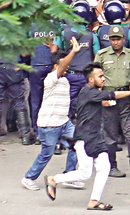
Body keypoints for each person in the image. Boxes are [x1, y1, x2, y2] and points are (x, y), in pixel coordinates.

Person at [44, 63, 130, 210]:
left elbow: (85, 106)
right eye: (100, 76)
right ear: (91, 80)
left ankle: (94, 201)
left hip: (96, 138)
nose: (104, 78)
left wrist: (102, 104)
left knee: (104, 168)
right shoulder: (89, 92)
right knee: (84, 174)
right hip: (86, 139)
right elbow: (112, 94)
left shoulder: (89, 93)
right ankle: (53, 179)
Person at [22, 37, 82, 192]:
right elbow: (62, 67)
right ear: (55, 66)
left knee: (77, 145)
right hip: (49, 125)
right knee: (46, 155)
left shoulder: (65, 80)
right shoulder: (51, 78)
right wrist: (74, 51)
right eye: (63, 65)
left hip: (64, 122)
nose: (66, 68)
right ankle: (28, 177)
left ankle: (69, 175)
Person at [94, 25, 130, 180]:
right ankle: (112, 166)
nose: (115, 42)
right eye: (113, 39)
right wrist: (100, 97)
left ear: (123, 39)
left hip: (126, 98)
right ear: (109, 40)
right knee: (110, 135)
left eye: (118, 39)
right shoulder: (101, 55)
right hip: (109, 98)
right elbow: (95, 77)